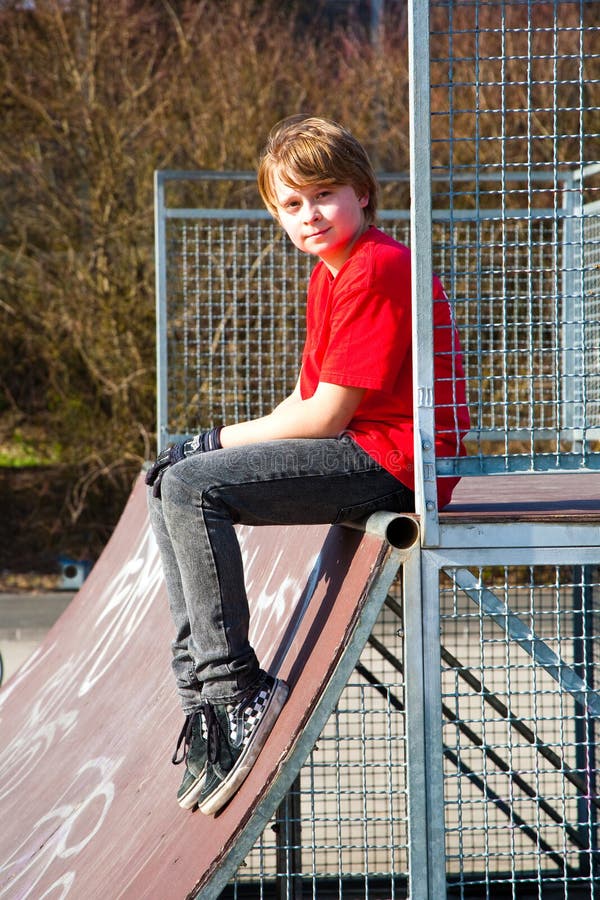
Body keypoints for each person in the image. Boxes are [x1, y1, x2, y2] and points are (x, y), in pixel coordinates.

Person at [146, 115, 470, 816]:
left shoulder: (377, 265)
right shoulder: (331, 274)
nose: (309, 215)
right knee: (168, 483)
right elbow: (305, 396)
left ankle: (238, 691)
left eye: (322, 194)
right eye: (291, 204)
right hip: (363, 447)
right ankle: (204, 699)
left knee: (195, 485)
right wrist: (201, 446)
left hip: (399, 460)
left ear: (361, 192)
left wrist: (211, 442)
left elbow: (324, 416)